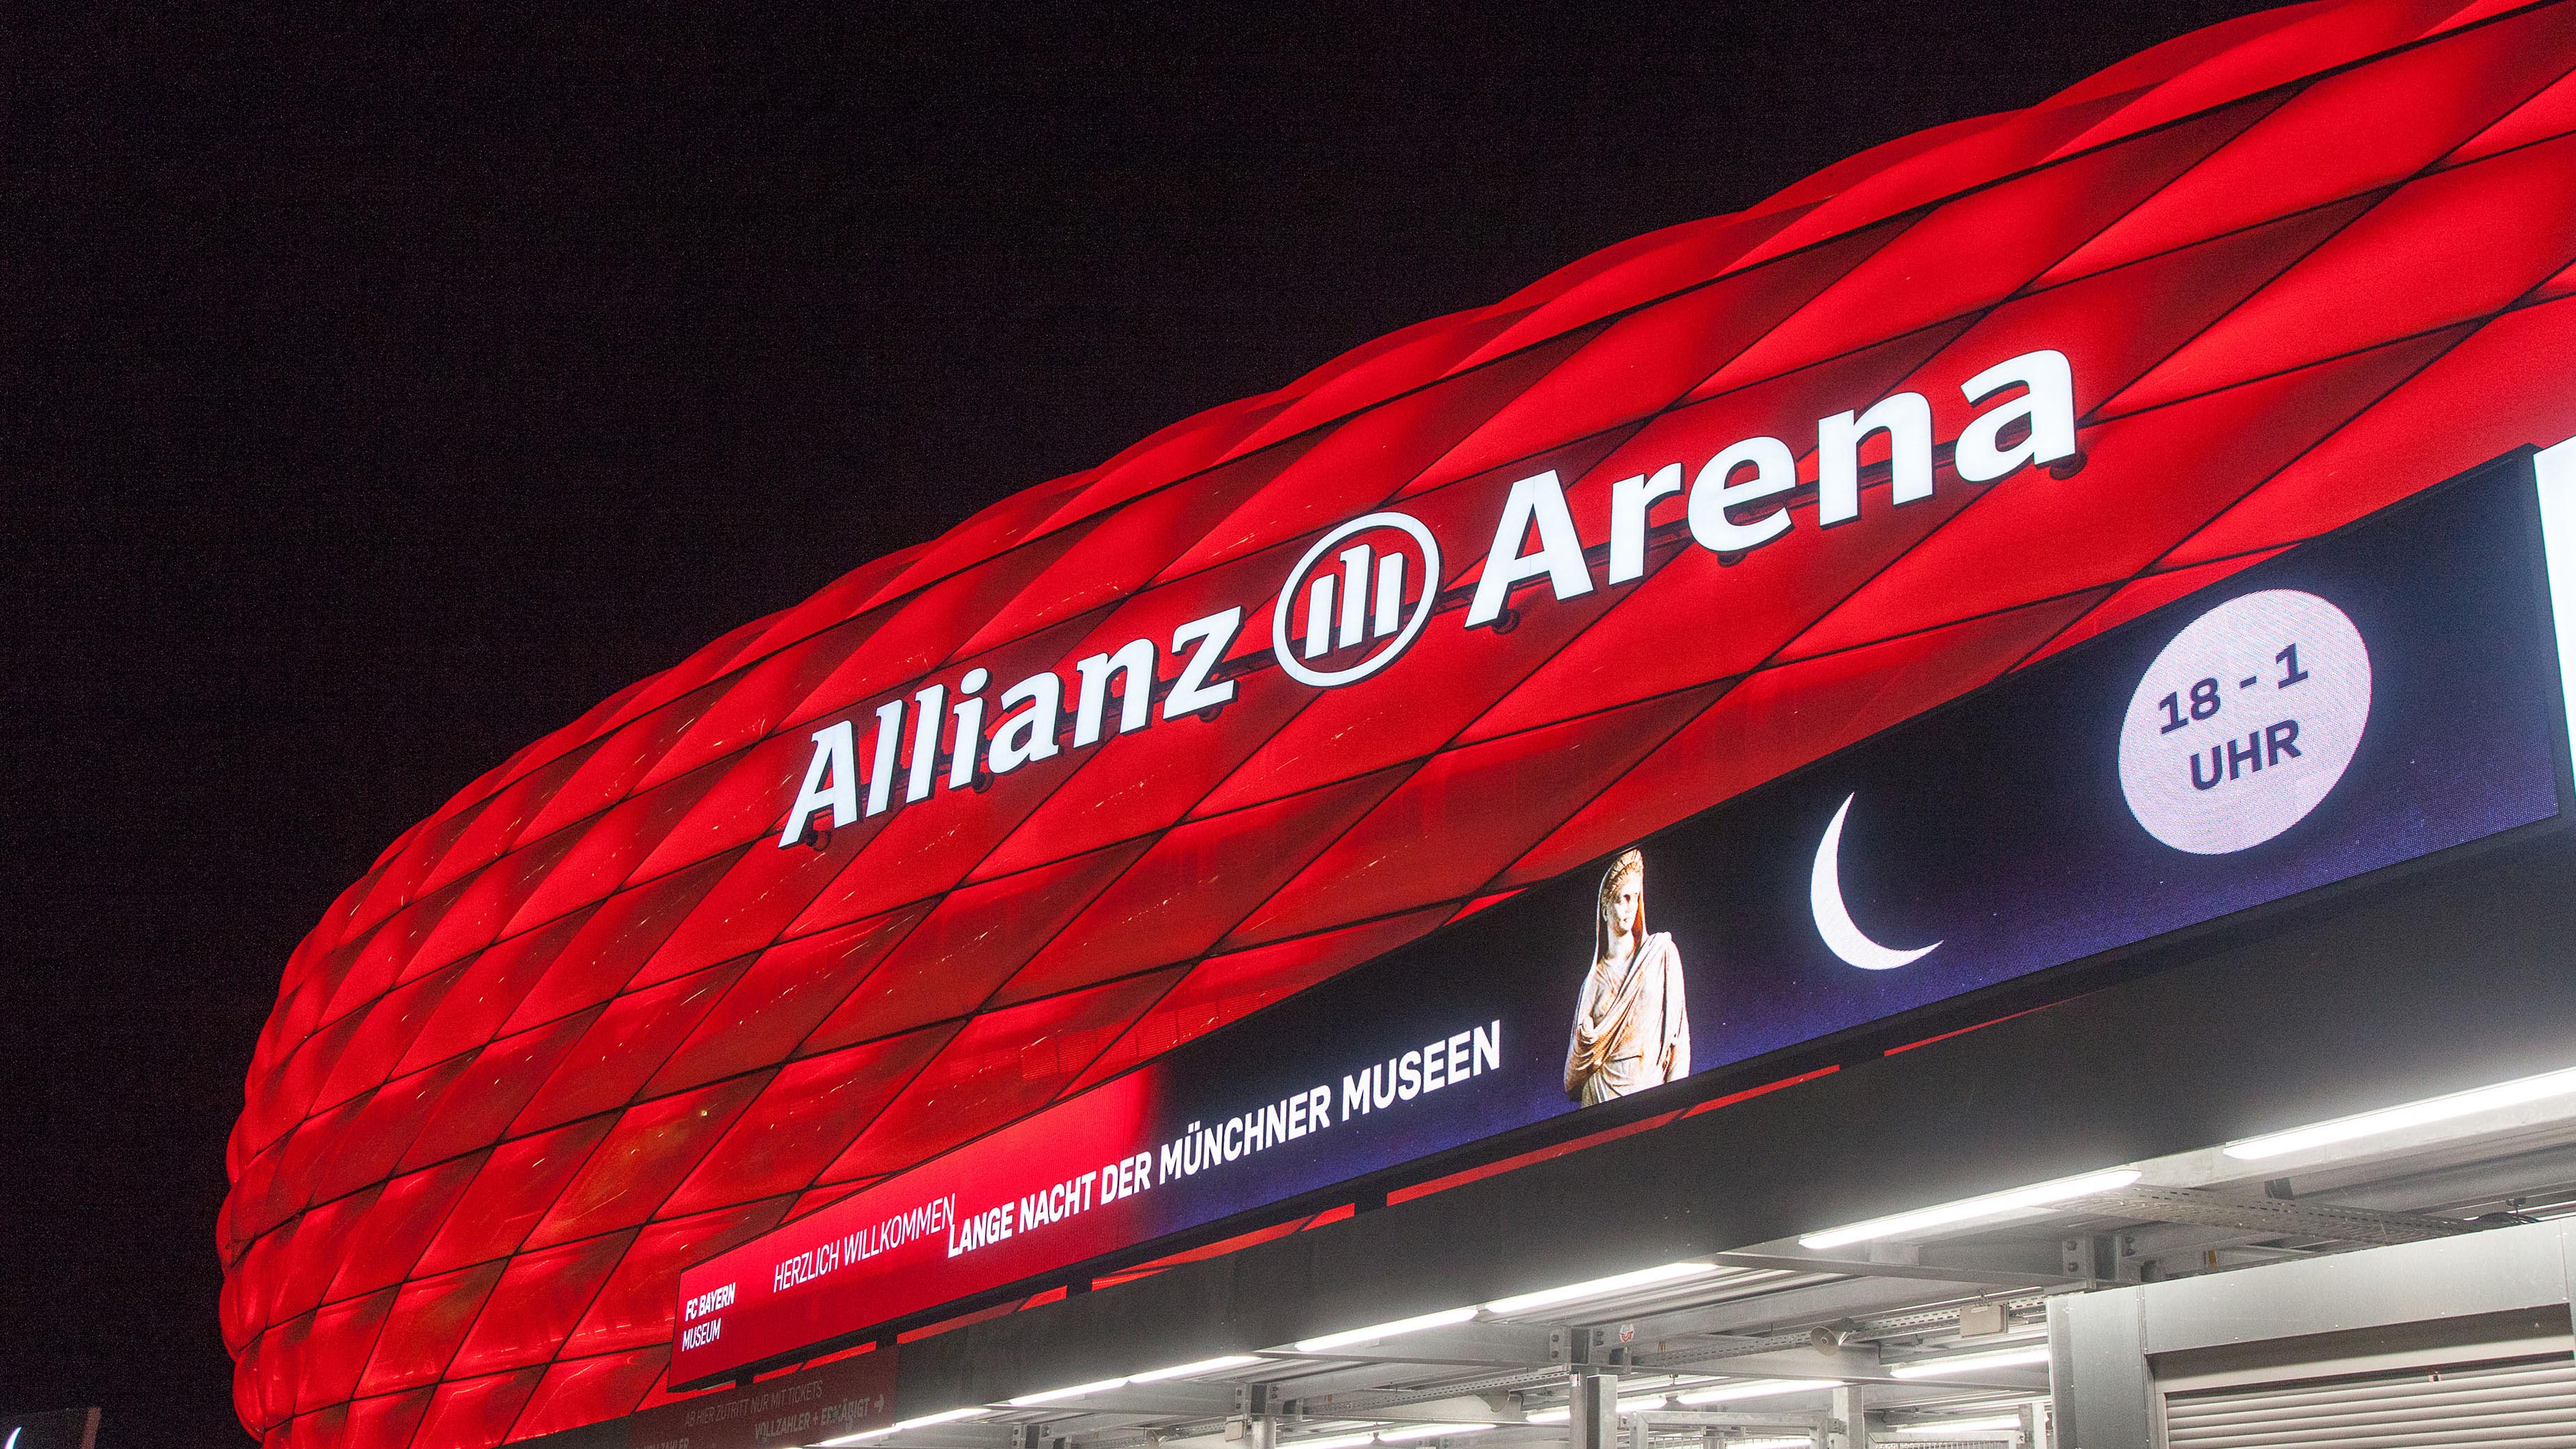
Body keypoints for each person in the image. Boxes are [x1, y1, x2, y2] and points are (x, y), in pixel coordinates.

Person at [1562, 847, 1690, 1105]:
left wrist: (1675, 1101)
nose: (1631, 907)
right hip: (1599, 1095)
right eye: (1623, 899)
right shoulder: (1593, 981)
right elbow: (1571, 1080)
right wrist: (1584, 1044)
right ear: (1606, 910)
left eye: (1636, 898)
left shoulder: (1660, 954)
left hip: (1649, 1089)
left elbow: (1680, 1038)